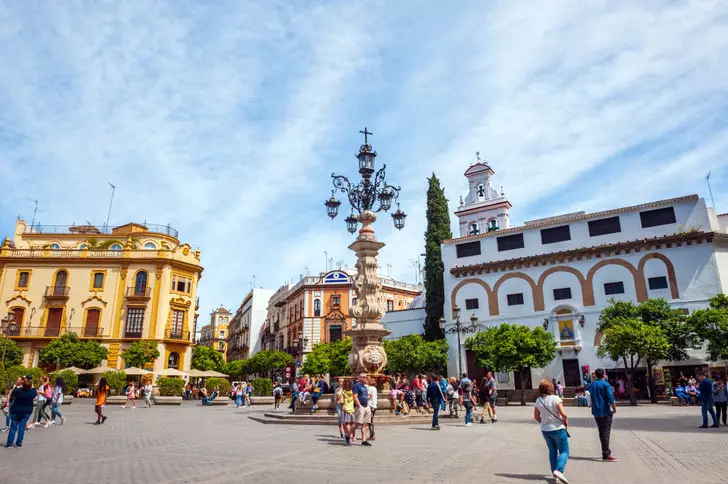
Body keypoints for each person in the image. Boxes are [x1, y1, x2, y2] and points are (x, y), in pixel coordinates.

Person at [534, 379, 569, 484]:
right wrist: (566, 423)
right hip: (558, 428)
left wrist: (544, 422)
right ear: (550, 388)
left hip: (545, 429)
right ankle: (559, 470)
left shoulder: (538, 400)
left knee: (552, 451)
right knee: (564, 451)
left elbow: (536, 416)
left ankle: (554, 474)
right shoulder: (556, 398)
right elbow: (564, 414)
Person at [588, 369, 618, 462]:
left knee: (601, 432)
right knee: (605, 433)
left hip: (596, 411)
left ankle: (605, 452)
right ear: (604, 375)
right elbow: (610, 398)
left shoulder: (591, 385)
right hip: (605, 411)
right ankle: (606, 454)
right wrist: (614, 409)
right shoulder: (606, 384)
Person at [6, 375, 37, 448]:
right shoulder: (32, 392)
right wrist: (29, 380)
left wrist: (23, 381)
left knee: (13, 427)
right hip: (26, 412)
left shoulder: (17, 390)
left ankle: (9, 443)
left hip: (15, 410)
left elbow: (13, 393)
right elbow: (33, 387)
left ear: (23, 384)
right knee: (22, 428)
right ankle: (18, 444)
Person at [352, 373, 372, 446]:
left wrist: (368, 398)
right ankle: (348, 435)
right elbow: (355, 397)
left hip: (366, 406)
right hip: (360, 407)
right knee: (357, 423)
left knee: (365, 424)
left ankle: (364, 441)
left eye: (366, 377)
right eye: (364, 377)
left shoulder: (365, 387)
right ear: (359, 378)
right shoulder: (356, 385)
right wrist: (359, 405)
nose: (365, 378)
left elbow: (364, 396)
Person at [341, 378, 355, 445]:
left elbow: (341, 402)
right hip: (353, 410)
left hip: (346, 409)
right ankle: (351, 436)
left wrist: (341, 410)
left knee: (347, 424)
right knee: (352, 424)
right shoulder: (353, 392)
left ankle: (348, 436)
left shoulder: (343, 392)